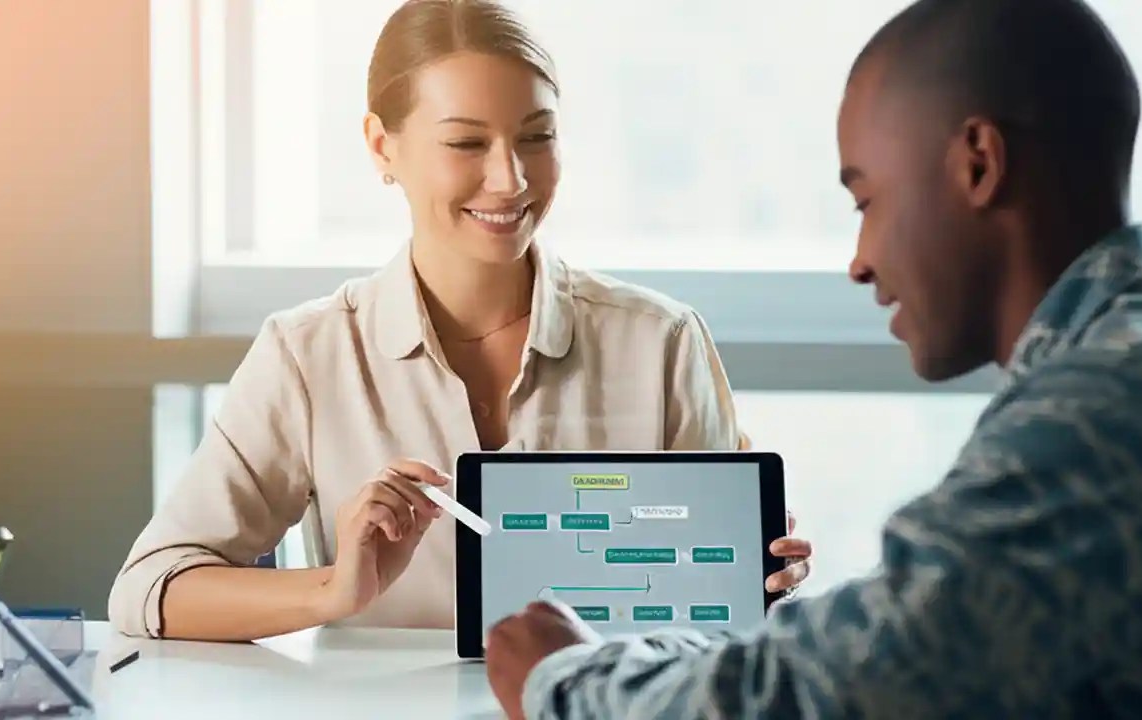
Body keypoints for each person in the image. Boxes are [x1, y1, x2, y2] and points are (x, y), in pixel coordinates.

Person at [483, 0, 1142, 717]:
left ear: (978, 164)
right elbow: (897, 632)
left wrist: (568, 684)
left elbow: (846, 696)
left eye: (868, 201)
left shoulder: (1114, 406)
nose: (859, 261)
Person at [107, 0, 813, 642]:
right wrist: (332, 590)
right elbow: (149, 588)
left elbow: (715, 615)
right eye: (467, 144)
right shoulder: (309, 353)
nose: (511, 179)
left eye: (536, 137)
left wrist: (748, 579)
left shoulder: (661, 341)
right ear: (383, 147)